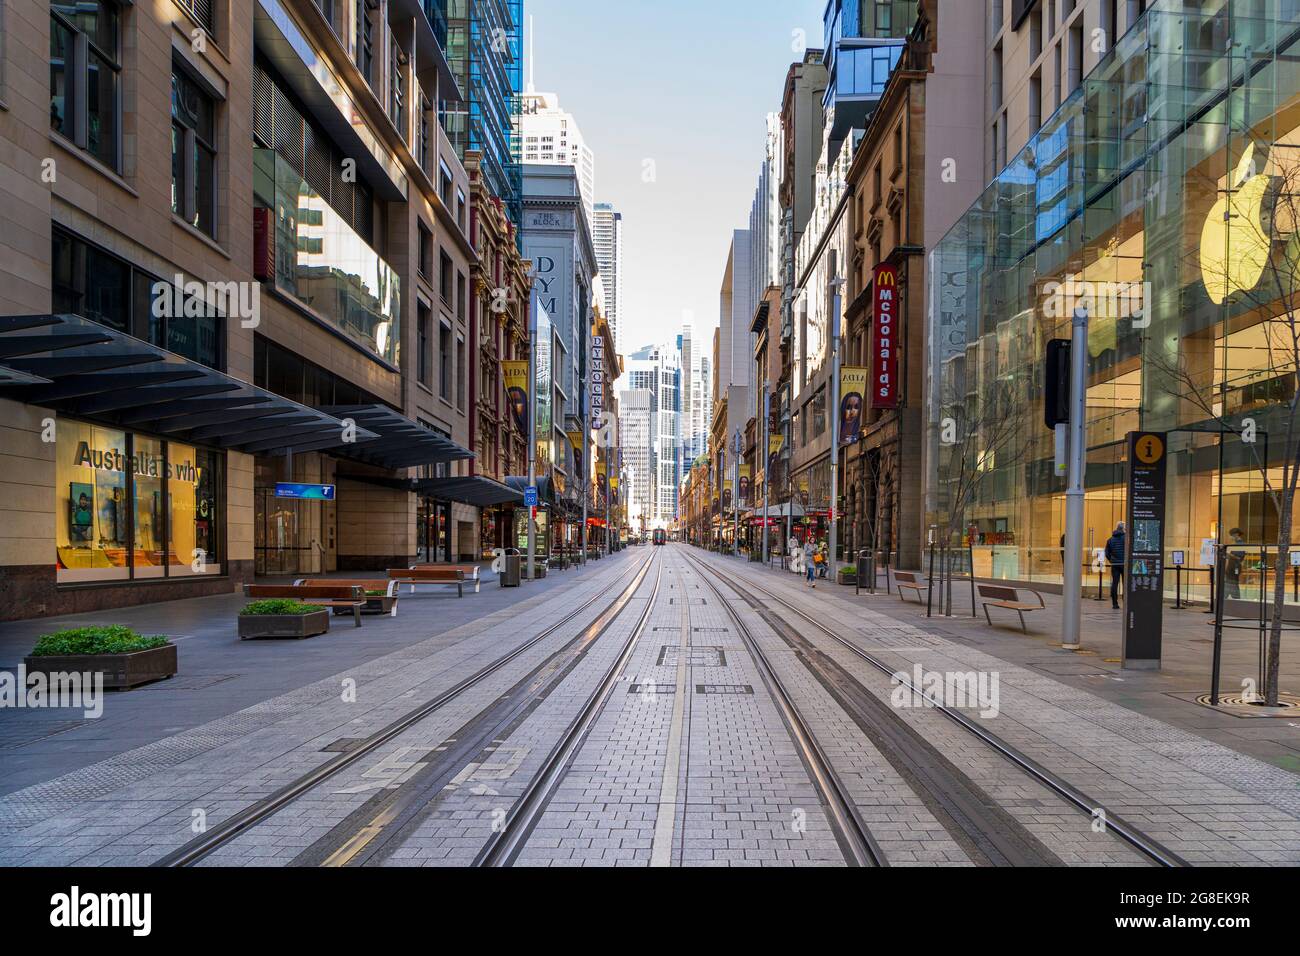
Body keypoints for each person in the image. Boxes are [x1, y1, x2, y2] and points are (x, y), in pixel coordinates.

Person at [1104, 522, 1126, 609]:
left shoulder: (1110, 540)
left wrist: (1111, 560)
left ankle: (1115, 603)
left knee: (1115, 583)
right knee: (1126, 584)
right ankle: (1126, 602)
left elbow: (1107, 553)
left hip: (1115, 564)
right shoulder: (1126, 538)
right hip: (1124, 564)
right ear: (1123, 529)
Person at [1225, 527, 1246, 600]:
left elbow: (1239, 557)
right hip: (1232, 566)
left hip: (1235, 567)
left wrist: (1229, 554)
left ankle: (1235, 598)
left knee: (1232, 582)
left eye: (1231, 535)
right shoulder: (1236, 544)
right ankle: (1232, 597)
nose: (1231, 537)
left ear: (1236, 534)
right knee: (1231, 582)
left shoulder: (1241, 544)